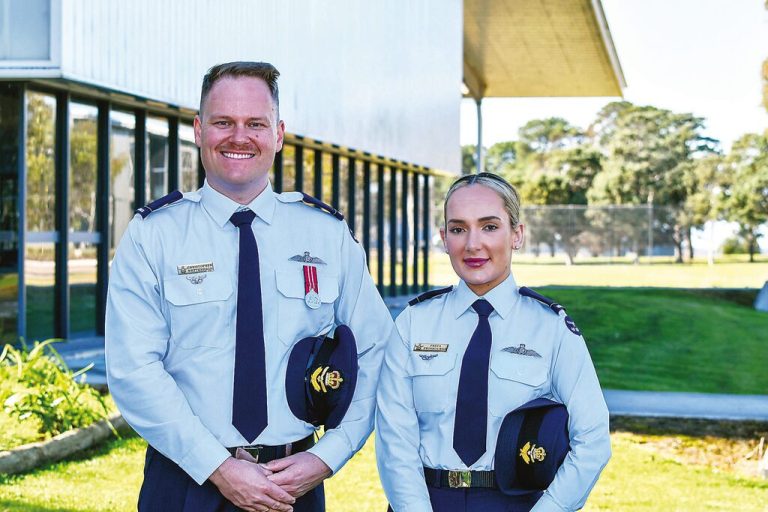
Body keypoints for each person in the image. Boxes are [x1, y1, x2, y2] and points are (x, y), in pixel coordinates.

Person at [105, 61, 394, 512]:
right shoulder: (153, 234)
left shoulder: (325, 234)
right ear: (199, 130)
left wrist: (327, 456)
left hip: (293, 484)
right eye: (223, 122)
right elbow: (132, 369)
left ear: (278, 134)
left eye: (255, 123)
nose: (239, 136)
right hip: (185, 482)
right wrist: (217, 468)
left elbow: (376, 349)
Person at [375, 172, 610, 512]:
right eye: (458, 229)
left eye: (489, 226)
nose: (472, 244)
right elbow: (394, 440)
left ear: (517, 234)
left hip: (515, 503)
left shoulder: (550, 328)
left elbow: (593, 439)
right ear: (444, 238)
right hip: (425, 500)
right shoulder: (414, 322)